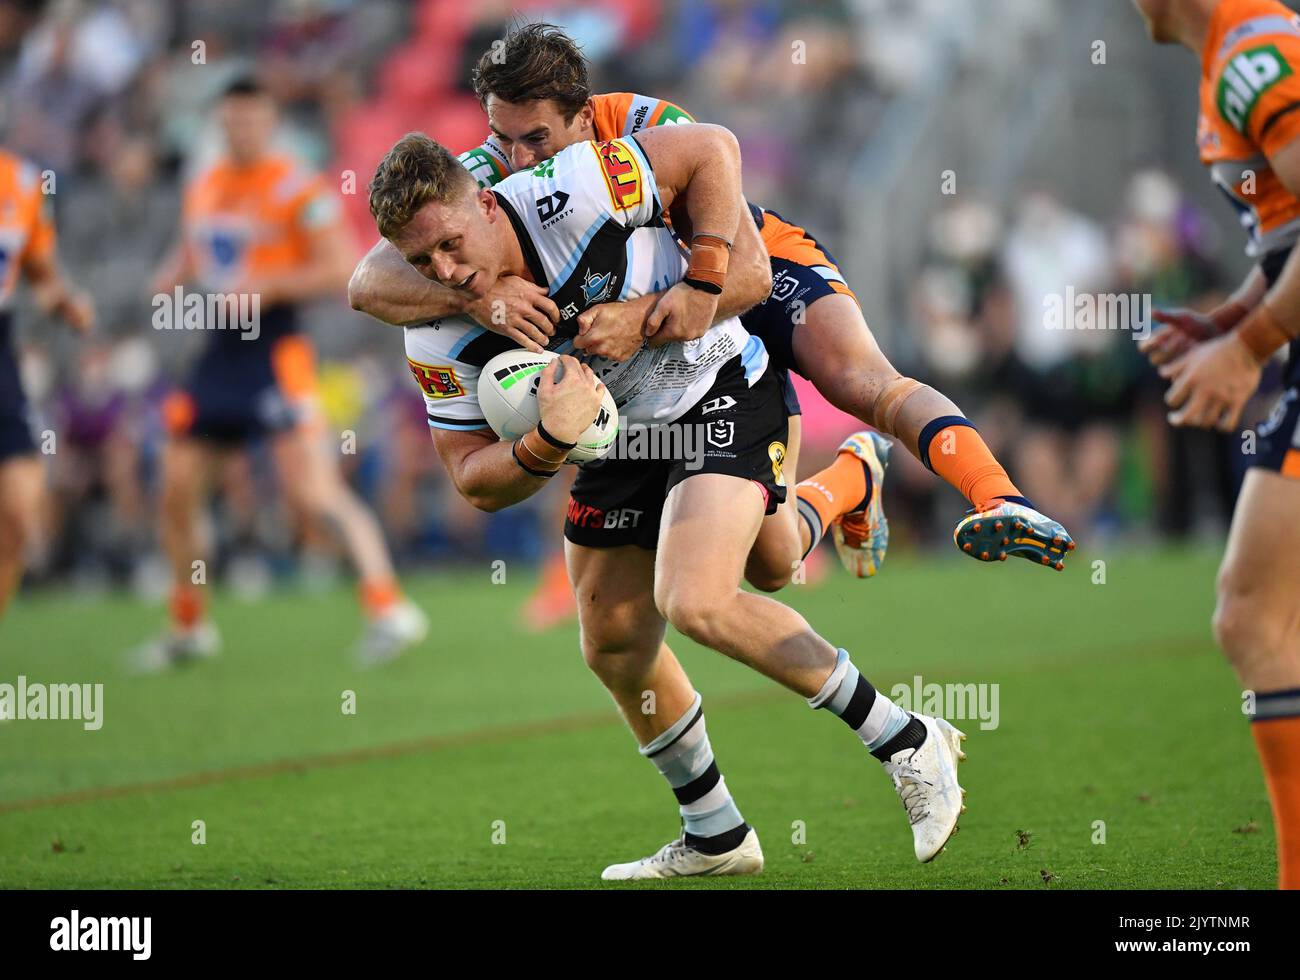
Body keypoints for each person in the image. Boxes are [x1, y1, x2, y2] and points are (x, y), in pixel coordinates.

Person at [368, 122, 966, 879]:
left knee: (698, 598)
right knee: (618, 639)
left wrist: (696, 282)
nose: (445, 271)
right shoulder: (434, 332)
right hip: (619, 434)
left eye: (451, 244)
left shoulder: (567, 192)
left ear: (486, 205)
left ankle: (908, 740)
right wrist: (546, 444)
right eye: (421, 261)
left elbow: (709, 145)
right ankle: (716, 834)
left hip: (717, 384)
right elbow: (472, 478)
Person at [349, 23, 1075, 586]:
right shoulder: (488, 175)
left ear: (582, 114)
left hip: (739, 263)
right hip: (685, 337)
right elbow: (366, 284)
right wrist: (486, 297)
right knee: (775, 565)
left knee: (861, 381)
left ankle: (998, 498)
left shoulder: (648, 126)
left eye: (536, 139)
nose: (521, 162)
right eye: (504, 140)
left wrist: (666, 304)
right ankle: (857, 475)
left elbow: (748, 274)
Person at [143, 77, 426, 667]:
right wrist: (170, 273)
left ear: (269, 123)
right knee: (175, 487)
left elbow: (342, 269)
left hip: (276, 349)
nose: (238, 130)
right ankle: (189, 626)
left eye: (249, 120)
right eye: (229, 121)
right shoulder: (207, 183)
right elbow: (199, 249)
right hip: (220, 350)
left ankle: (390, 607)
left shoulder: (297, 185)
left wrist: (270, 285)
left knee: (311, 491)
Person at [1134, 0, 1300, 889]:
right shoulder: (1230, 56)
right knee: (1253, 616)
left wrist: (1248, 348)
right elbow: (1289, 234)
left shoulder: (1254, 52)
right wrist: (1233, 317)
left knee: (1256, 617)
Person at [0, 147, 95, 619]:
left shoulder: (22, 182)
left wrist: (65, 301)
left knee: (19, 511)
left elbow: (38, 270)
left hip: (2, 352)